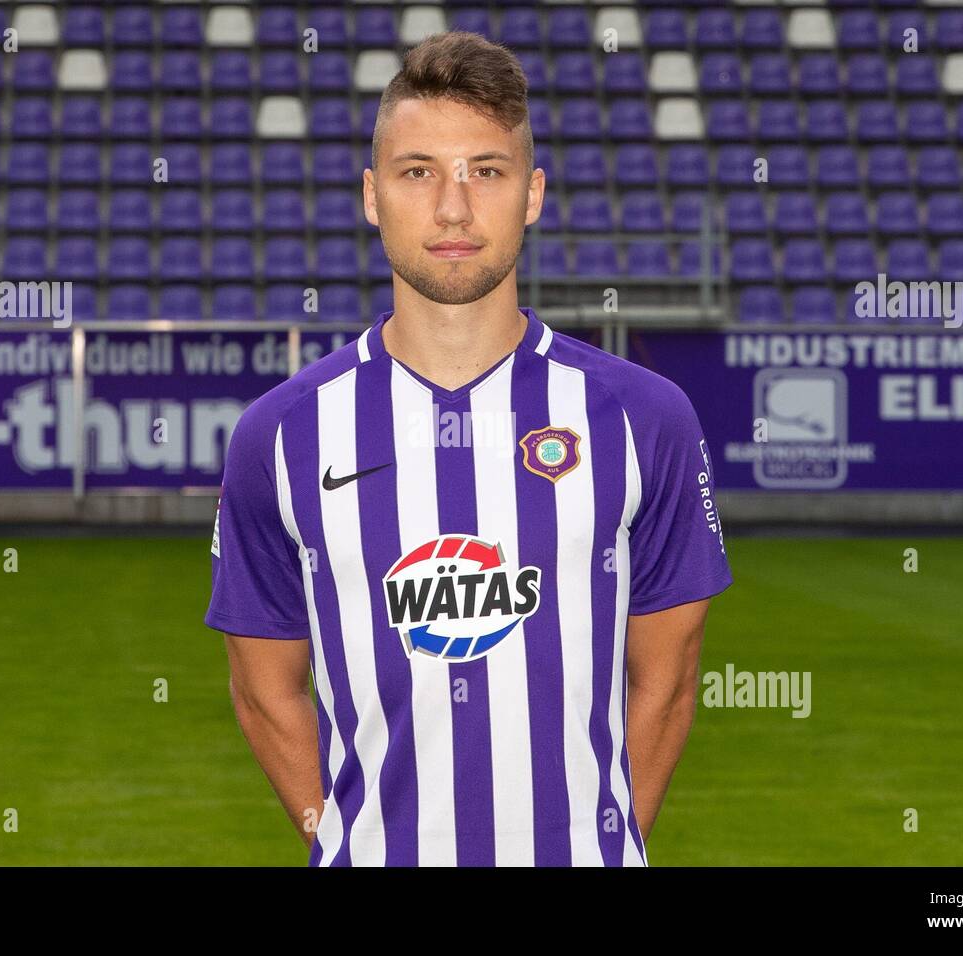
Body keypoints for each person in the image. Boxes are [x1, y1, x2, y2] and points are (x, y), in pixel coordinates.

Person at [206, 31, 732, 866]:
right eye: (420, 173)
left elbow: (665, 681)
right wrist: (344, 840)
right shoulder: (280, 436)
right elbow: (264, 689)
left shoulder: (645, 417)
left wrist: (606, 843)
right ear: (373, 196)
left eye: (486, 172)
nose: (453, 209)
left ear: (532, 194)